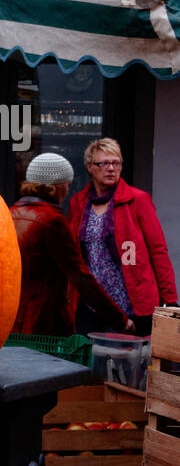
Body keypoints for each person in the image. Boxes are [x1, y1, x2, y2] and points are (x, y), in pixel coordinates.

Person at [10, 153, 132, 336]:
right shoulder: (52, 222)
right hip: (42, 325)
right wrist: (120, 320)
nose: (68, 191)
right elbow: (81, 277)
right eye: (67, 185)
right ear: (57, 187)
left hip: (10, 318)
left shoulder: (10, 214)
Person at [67, 138, 177, 337]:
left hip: (132, 303)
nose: (111, 168)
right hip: (93, 304)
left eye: (116, 163)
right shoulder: (78, 203)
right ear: (90, 167)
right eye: (104, 163)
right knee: (90, 363)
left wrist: (170, 301)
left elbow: (158, 250)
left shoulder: (138, 200)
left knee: (131, 364)